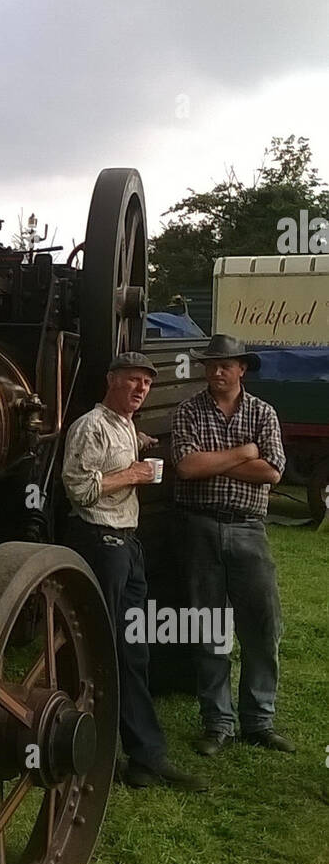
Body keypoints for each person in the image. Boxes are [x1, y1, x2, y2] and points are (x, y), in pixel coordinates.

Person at [62, 352, 207, 791]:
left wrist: (137, 444)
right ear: (111, 380)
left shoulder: (123, 425)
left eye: (146, 383)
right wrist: (134, 474)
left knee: (133, 649)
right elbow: (80, 489)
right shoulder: (90, 426)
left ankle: (140, 757)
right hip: (102, 543)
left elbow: (111, 458)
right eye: (132, 380)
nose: (141, 388)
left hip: (127, 544)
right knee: (107, 649)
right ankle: (94, 747)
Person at [170, 334, 294, 756]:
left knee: (262, 627)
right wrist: (243, 451)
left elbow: (272, 472)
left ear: (243, 369)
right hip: (200, 528)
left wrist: (214, 461)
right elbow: (187, 467)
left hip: (248, 528)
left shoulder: (263, 412)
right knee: (209, 628)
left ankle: (259, 721)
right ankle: (217, 723)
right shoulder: (188, 410)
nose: (217, 371)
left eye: (226, 365)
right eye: (211, 365)